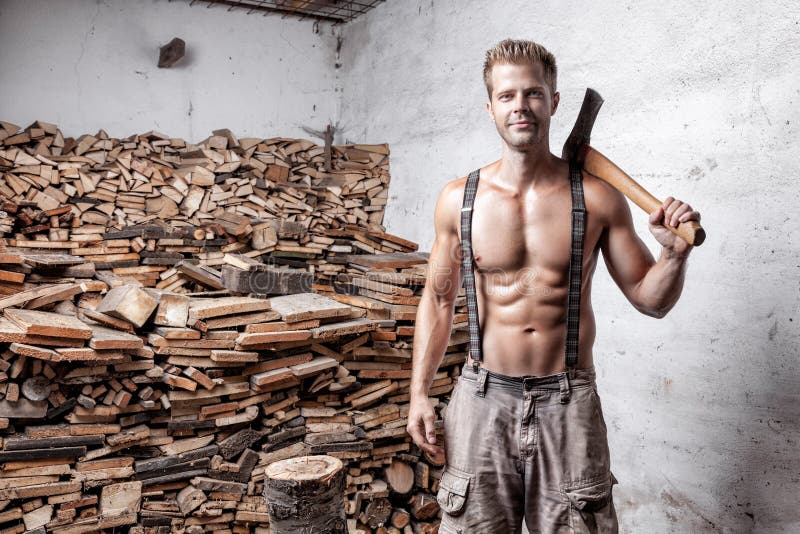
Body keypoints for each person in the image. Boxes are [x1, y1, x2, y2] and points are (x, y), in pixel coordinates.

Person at [406, 39, 701, 534]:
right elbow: (437, 300)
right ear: (490, 108)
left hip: (568, 403)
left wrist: (673, 255)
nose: (520, 106)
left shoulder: (600, 199)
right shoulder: (458, 200)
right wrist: (418, 393)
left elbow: (651, 300)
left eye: (533, 93)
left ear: (554, 101)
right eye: (506, 96)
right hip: (481, 400)